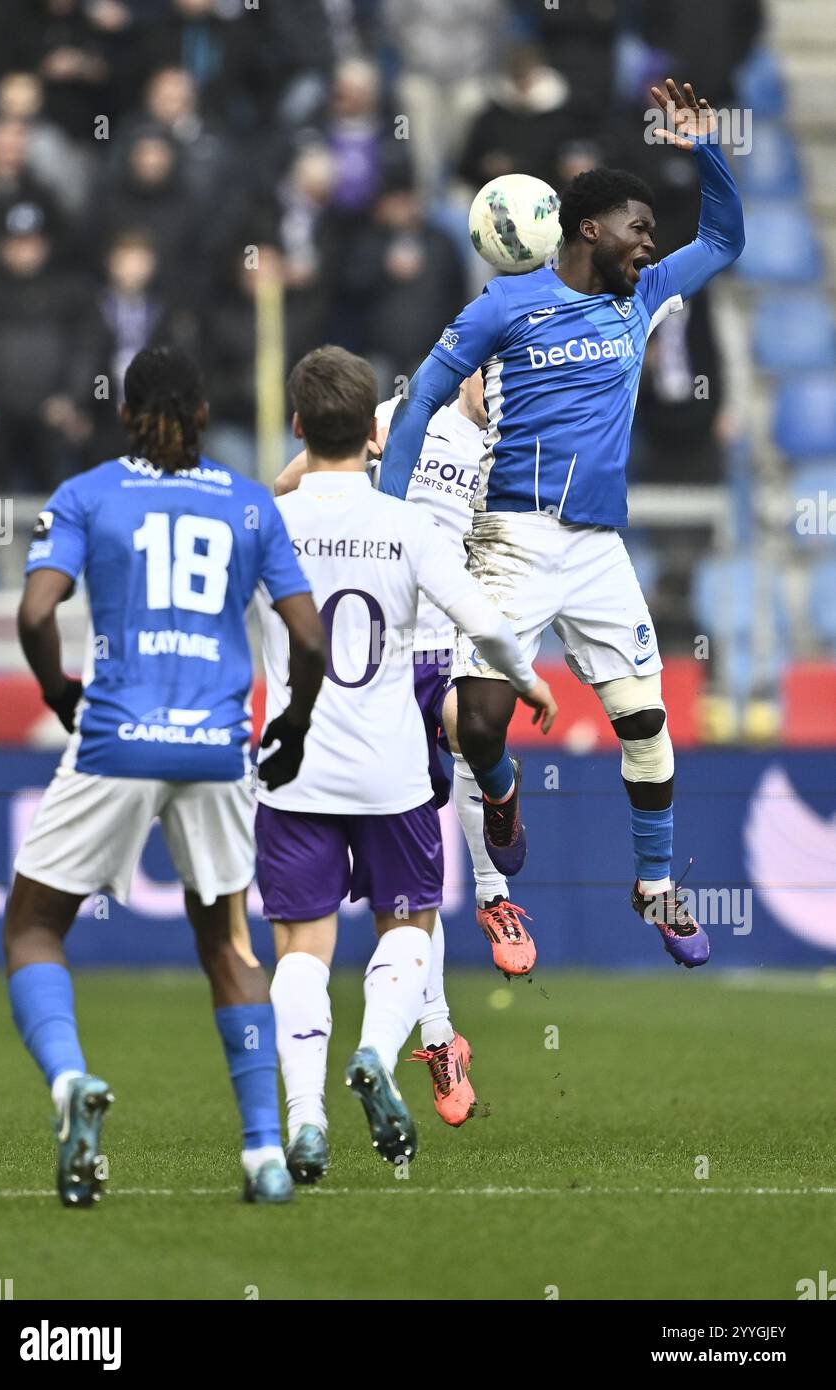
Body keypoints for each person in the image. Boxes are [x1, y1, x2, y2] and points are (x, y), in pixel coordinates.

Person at [378, 81, 746, 968]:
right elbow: (427, 394)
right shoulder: (506, 305)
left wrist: (703, 148)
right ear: (590, 230)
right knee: (477, 726)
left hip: (598, 551)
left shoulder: (647, 293)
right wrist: (387, 517)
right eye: (638, 228)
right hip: (509, 538)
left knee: (646, 728)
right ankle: (501, 797)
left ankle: (656, 888)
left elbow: (728, 239)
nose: (649, 243)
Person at [4, 346, 326, 1208]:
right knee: (226, 943)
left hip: (114, 738)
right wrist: (289, 727)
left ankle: (72, 1081)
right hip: (217, 747)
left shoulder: (88, 494)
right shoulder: (251, 504)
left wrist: (58, 692)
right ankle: (263, 1153)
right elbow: (310, 639)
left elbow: (36, 612)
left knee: (34, 930)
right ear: (204, 414)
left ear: (125, 415)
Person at [256, 346, 556, 1182]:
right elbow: (488, 622)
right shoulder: (404, 475)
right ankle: (416, 1044)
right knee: (411, 916)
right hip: (396, 700)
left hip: (329, 735)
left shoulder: (269, 527)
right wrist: (533, 681)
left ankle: (307, 1113)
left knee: (303, 948)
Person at [275, 373, 540, 981]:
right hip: (381, 650)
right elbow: (291, 481)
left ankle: (494, 896)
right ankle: (439, 1035)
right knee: (409, 854)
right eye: (486, 367)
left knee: (473, 730)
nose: (494, 381)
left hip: (452, 635)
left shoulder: (518, 447)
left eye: (508, 370)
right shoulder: (400, 417)